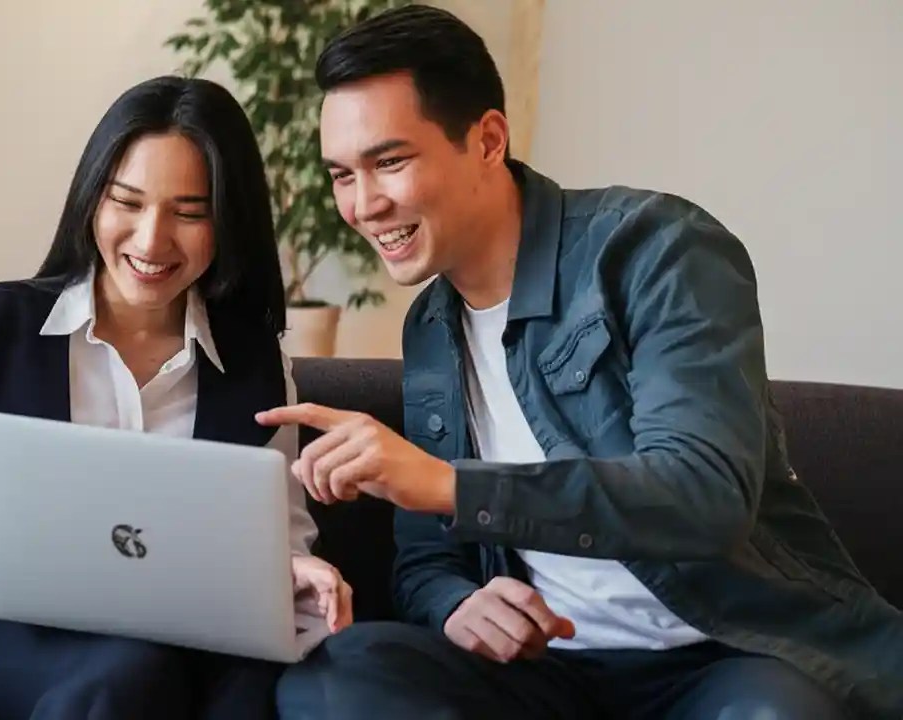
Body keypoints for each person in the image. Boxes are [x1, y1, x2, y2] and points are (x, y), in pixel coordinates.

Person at [258, 5, 903, 719]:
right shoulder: (432, 328)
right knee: (334, 678)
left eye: (390, 162)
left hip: (727, 658)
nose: (362, 204)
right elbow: (426, 561)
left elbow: (704, 493)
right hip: (549, 672)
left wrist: (451, 484)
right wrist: (459, 604)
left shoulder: (657, 251)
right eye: (342, 175)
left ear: (488, 140)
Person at [0, 75, 353, 720]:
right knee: (126, 676)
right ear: (91, 200)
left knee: (253, 692)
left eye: (189, 213)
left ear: (228, 222)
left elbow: (282, 530)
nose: (151, 240)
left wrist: (292, 572)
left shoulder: (256, 365)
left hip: (183, 633)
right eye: (126, 202)